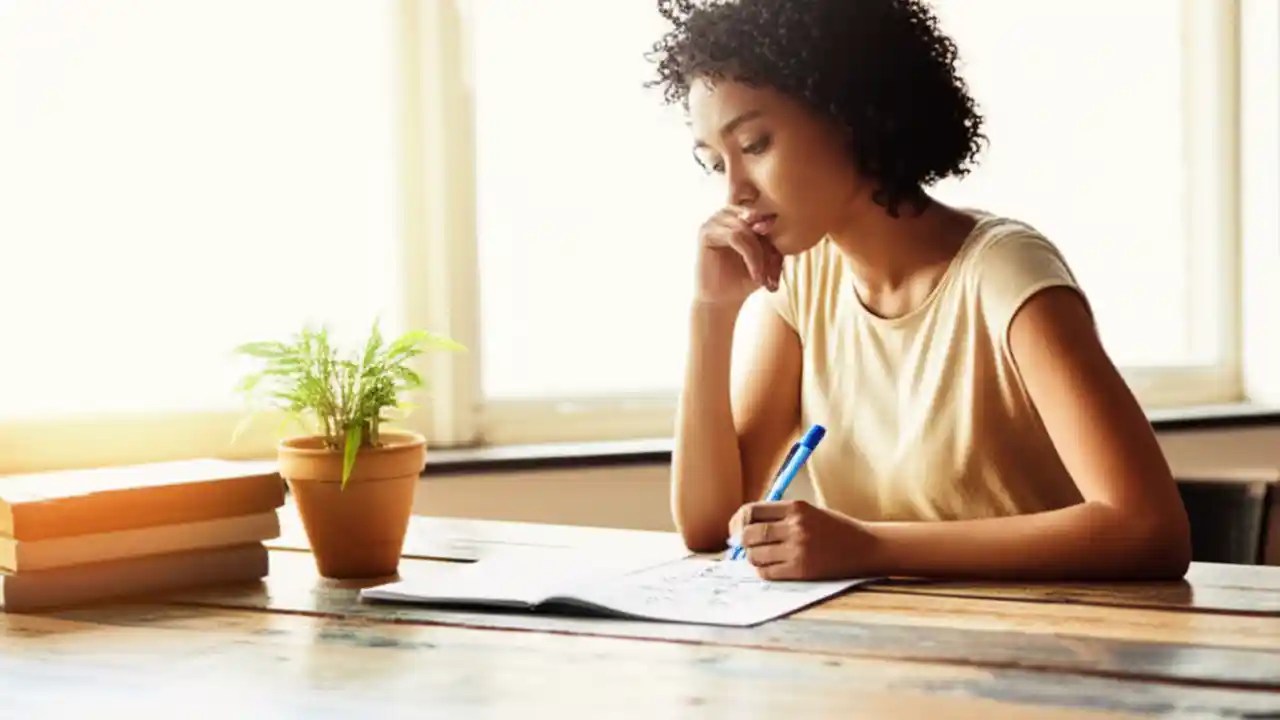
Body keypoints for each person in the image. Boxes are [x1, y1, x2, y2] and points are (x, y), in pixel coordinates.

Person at [647, 0, 1192, 581]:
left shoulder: (1004, 274)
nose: (734, 191)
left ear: (848, 112)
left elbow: (1148, 529)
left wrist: (871, 547)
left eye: (755, 145)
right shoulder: (804, 285)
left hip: (1048, 628)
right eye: (715, 163)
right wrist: (711, 310)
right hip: (895, 633)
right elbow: (710, 525)